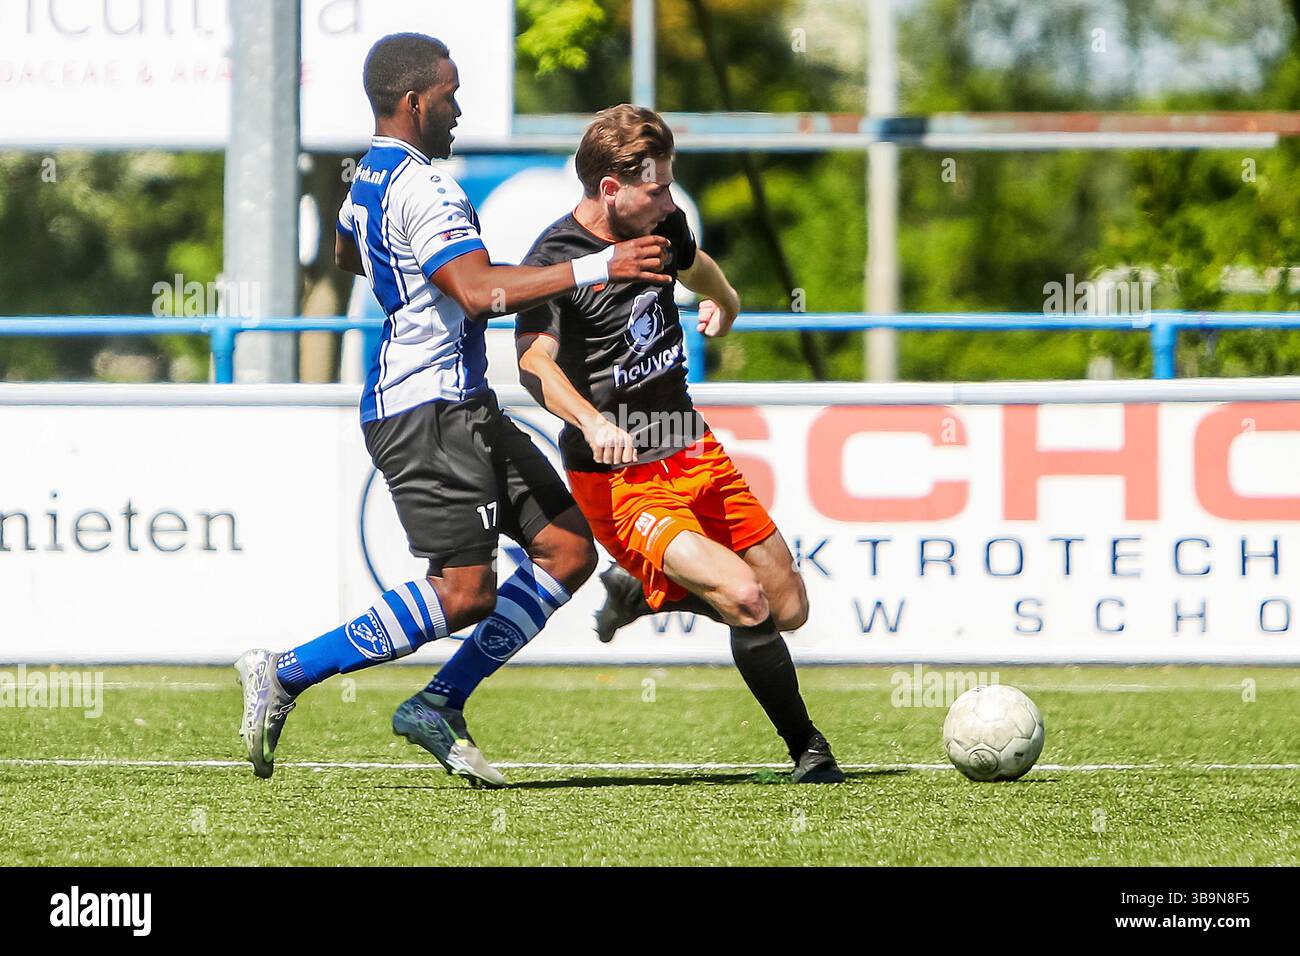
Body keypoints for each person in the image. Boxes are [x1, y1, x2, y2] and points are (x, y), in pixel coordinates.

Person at [234, 35, 671, 787]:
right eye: (450, 95)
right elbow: (476, 293)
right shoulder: (425, 189)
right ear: (415, 102)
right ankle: (286, 671)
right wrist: (602, 264)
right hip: (424, 407)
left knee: (568, 550)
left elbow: (350, 253)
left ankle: (440, 700)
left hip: (461, 403)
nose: (459, 108)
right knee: (466, 590)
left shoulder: (370, 176)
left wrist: (412, 274)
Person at [515, 105, 844, 783]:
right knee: (745, 600)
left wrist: (724, 295)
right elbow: (535, 366)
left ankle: (638, 593)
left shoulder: (662, 224)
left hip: (691, 447)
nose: (668, 200)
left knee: (788, 606)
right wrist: (592, 422)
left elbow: (697, 266)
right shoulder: (554, 260)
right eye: (656, 188)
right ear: (612, 190)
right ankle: (808, 749)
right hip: (620, 477)